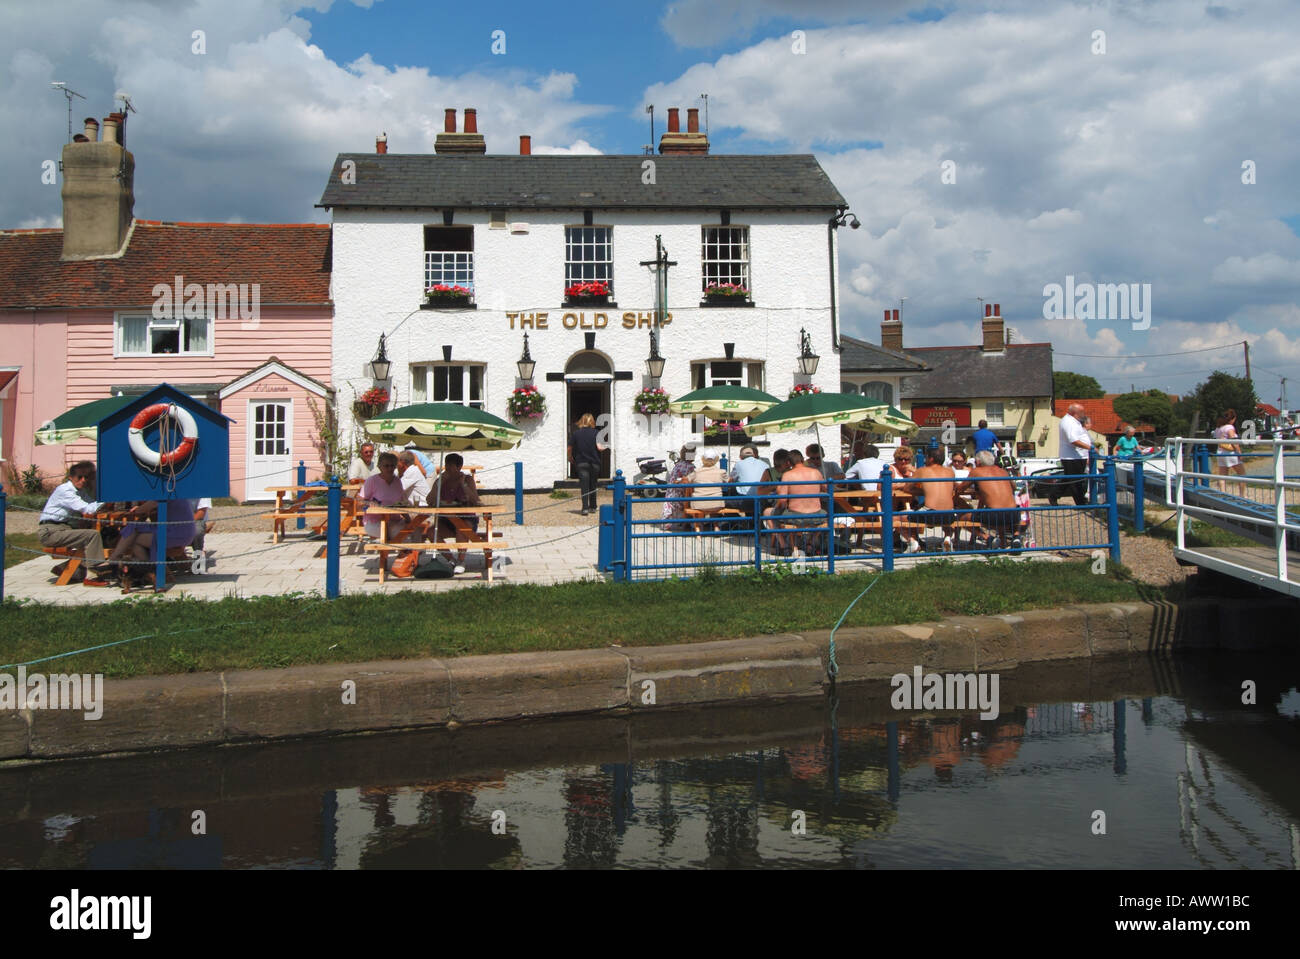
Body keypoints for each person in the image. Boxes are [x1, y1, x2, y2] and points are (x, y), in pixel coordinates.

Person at [37, 461, 112, 585]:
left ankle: (64, 568)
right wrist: (109, 499)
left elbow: (92, 503)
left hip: (62, 529)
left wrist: (102, 503)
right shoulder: (65, 491)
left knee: (100, 536)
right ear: (70, 477)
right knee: (92, 536)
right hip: (50, 532)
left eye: (86, 477)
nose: (83, 480)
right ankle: (93, 576)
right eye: (79, 477)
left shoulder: (79, 491)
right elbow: (88, 509)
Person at [108, 497, 198, 590]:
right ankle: (151, 573)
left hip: (176, 532)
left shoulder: (165, 491)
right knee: (136, 538)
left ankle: (114, 561)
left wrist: (138, 509)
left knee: (134, 530)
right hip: (182, 530)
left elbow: (150, 505)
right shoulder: (174, 490)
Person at [427, 452, 480, 573]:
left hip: (465, 518)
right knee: (431, 532)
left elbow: (475, 500)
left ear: (459, 467)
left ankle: (461, 561)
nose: (448, 469)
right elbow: (429, 500)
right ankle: (451, 559)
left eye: (451, 466)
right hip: (446, 519)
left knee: (462, 528)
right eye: (447, 465)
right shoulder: (441, 480)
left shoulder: (467, 479)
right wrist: (439, 483)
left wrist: (463, 485)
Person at [958, 449, 1022, 549]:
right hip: (1014, 514)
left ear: (978, 462)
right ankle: (1016, 536)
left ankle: (987, 538)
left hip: (994, 515)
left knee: (962, 518)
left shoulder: (976, 472)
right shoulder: (1003, 471)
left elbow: (960, 489)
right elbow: (1014, 488)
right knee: (1003, 512)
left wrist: (954, 485)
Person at [770, 450, 826, 555]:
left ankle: (785, 547)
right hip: (817, 515)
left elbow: (782, 499)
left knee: (772, 514)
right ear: (803, 460)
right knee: (826, 516)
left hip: (796, 517)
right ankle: (811, 543)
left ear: (788, 463)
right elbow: (826, 489)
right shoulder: (816, 473)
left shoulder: (787, 475)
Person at [906, 450, 958, 552]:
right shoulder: (950, 471)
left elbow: (907, 488)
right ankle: (947, 538)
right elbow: (954, 487)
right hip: (950, 515)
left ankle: (913, 542)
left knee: (900, 517)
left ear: (931, 459)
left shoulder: (922, 470)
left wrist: (924, 491)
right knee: (944, 511)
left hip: (930, 514)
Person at [360, 452, 409, 541]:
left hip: (395, 521)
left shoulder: (397, 481)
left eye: (392, 466)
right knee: (400, 535)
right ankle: (404, 553)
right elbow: (360, 501)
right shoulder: (372, 481)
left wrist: (409, 519)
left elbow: (402, 503)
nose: (390, 468)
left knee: (413, 530)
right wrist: (369, 503)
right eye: (386, 466)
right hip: (374, 522)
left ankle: (407, 554)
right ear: (379, 467)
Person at [1052, 403, 1092, 506]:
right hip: (1071, 456)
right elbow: (1073, 440)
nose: (1083, 414)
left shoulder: (1075, 422)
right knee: (1075, 480)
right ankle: (1080, 503)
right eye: (1081, 412)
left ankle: (1053, 495)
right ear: (1075, 412)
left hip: (1076, 455)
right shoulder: (1068, 422)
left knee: (1070, 478)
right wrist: (1090, 448)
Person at [567, 413, 606, 516]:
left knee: (584, 486)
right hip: (594, 463)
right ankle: (593, 507)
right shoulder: (597, 433)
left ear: (582, 421)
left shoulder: (576, 434)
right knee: (593, 485)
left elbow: (569, 448)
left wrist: (570, 457)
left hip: (581, 462)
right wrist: (606, 446)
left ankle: (584, 508)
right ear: (592, 422)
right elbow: (599, 448)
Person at [726, 445, 770, 515]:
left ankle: (737, 523)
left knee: (724, 502)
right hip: (762, 501)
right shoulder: (765, 464)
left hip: (746, 501)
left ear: (740, 457)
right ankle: (749, 524)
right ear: (754, 455)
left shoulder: (739, 464)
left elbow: (730, 481)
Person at [661, 443, 697, 530]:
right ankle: (688, 523)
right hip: (682, 493)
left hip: (671, 492)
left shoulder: (678, 464)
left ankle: (671, 523)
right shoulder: (691, 467)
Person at [1212, 409, 1246, 495]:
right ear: (1232, 419)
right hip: (1230, 453)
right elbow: (1234, 441)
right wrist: (1239, 453)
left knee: (1222, 475)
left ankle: (1223, 493)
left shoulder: (1218, 428)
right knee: (1242, 474)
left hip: (1220, 453)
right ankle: (1242, 495)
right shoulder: (1229, 428)